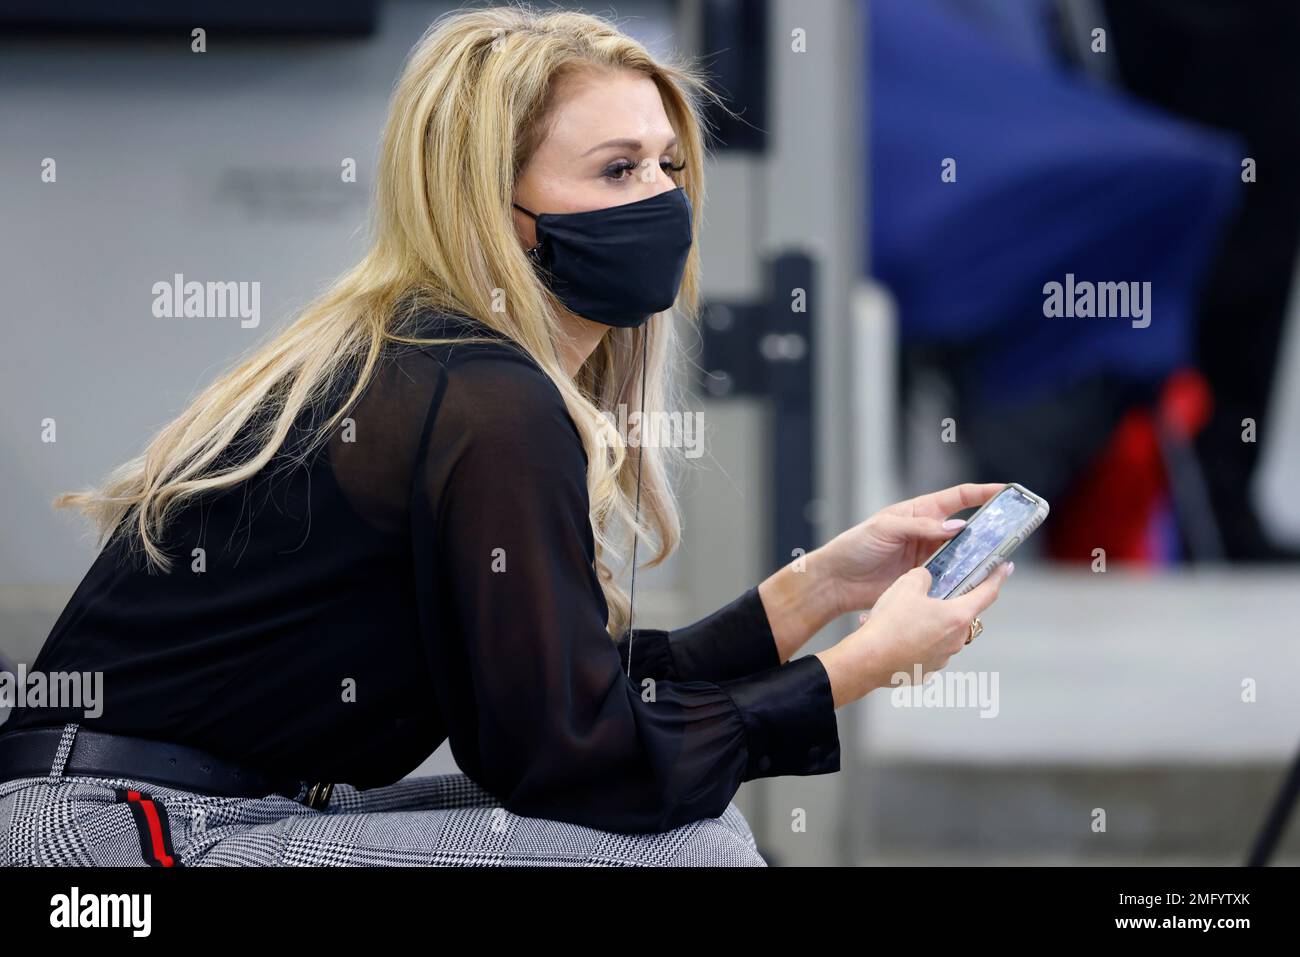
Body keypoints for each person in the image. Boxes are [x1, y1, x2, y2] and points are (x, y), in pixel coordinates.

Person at [0, 5, 1009, 867]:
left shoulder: (428, 359)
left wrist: (820, 590)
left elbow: (554, 707)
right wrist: (858, 667)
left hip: (189, 812)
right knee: (689, 852)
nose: (660, 199)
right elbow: (580, 757)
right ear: (494, 209)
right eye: (615, 170)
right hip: (116, 844)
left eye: (666, 165)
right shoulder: (481, 396)